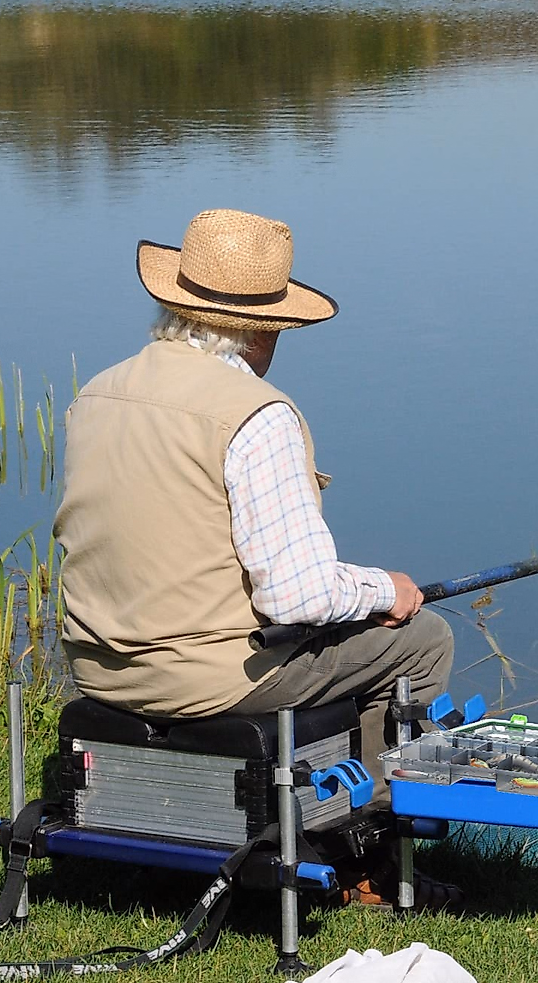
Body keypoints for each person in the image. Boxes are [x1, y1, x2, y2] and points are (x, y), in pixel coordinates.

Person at [53, 208, 458, 906]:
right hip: (208, 680)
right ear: (264, 327)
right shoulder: (256, 412)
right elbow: (295, 599)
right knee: (422, 641)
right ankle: (366, 861)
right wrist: (383, 589)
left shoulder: (99, 392)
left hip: (96, 666)